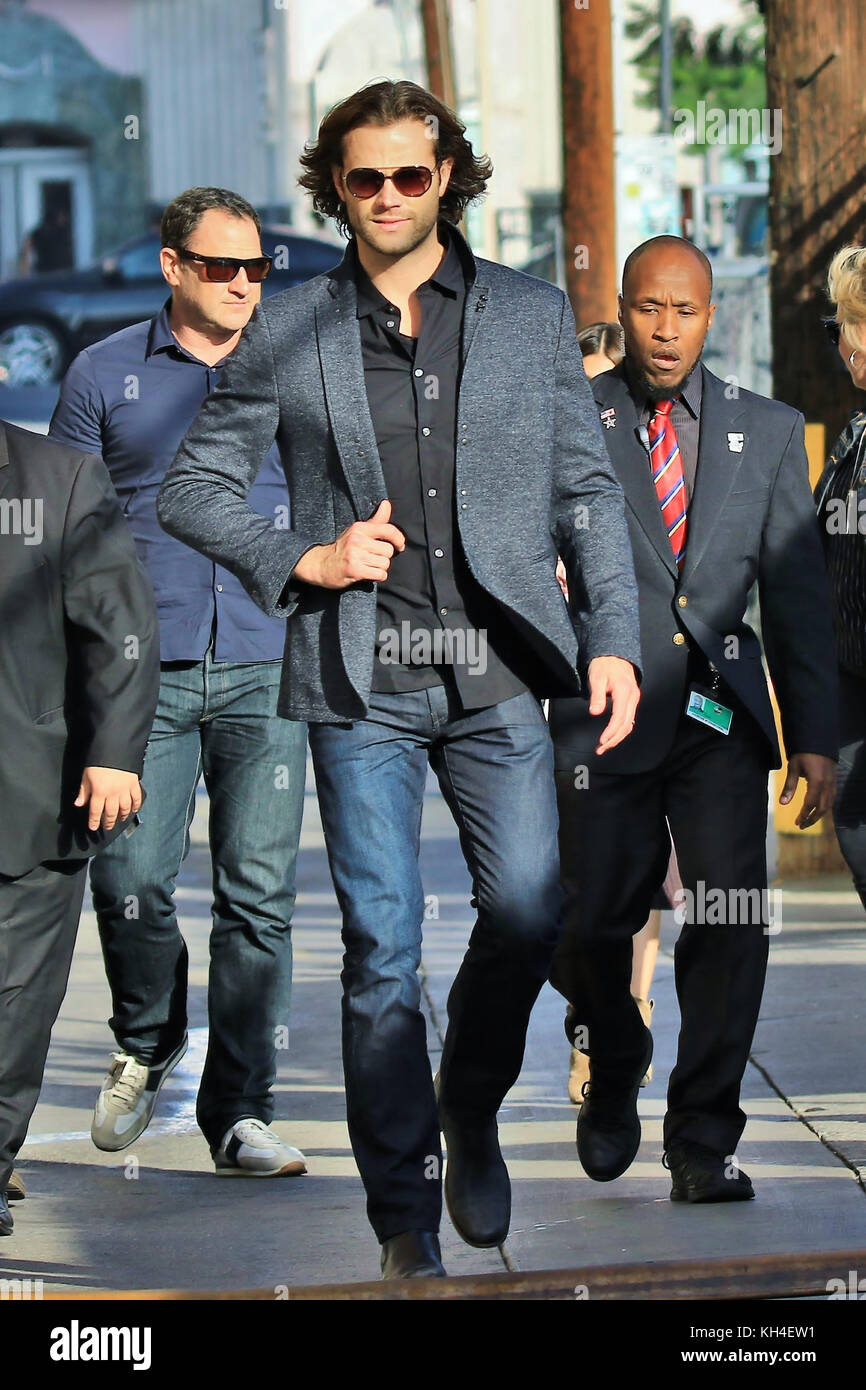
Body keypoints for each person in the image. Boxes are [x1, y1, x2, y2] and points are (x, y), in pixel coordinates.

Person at [158, 79, 641, 1278]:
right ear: (335, 186)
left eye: (408, 176)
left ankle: (467, 1100)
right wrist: (305, 556)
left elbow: (585, 491)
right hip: (358, 679)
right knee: (381, 952)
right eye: (362, 178)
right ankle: (404, 1220)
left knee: (530, 911)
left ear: (447, 180)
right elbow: (193, 490)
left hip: (495, 674)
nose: (384, 197)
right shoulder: (288, 328)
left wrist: (615, 638)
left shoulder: (529, 317)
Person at [550, 235, 838, 1205]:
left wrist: (811, 735)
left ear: (710, 316)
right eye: (646, 308)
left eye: (684, 310)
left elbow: (796, 594)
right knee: (585, 917)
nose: (664, 328)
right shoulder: (571, 419)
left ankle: (702, 1139)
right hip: (603, 717)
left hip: (717, 719)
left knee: (728, 922)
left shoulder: (764, 433)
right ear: (621, 307)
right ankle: (613, 1041)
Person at [49, 187, 308, 1178]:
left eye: (256, 268)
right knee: (129, 880)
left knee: (257, 895)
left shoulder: (292, 369)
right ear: (172, 266)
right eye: (220, 266)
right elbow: (66, 532)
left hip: (263, 661)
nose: (243, 283)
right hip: (136, 677)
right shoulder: (101, 374)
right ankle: (147, 1039)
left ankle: (240, 1111)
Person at [0, 419, 159, 1237]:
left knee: (14, 1002)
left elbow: (119, 631)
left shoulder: (60, 479)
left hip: (26, 792)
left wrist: (114, 754)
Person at [562, 319, 672, 1103]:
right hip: (559, 702)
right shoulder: (553, 454)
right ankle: (599, 1019)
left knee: (645, 880)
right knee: (568, 889)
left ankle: (627, 1008)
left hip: (650, 689)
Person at [814, 245, 866, 909]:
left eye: (841, 328)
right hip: (849, 676)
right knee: (854, 830)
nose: (838, 343)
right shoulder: (854, 434)